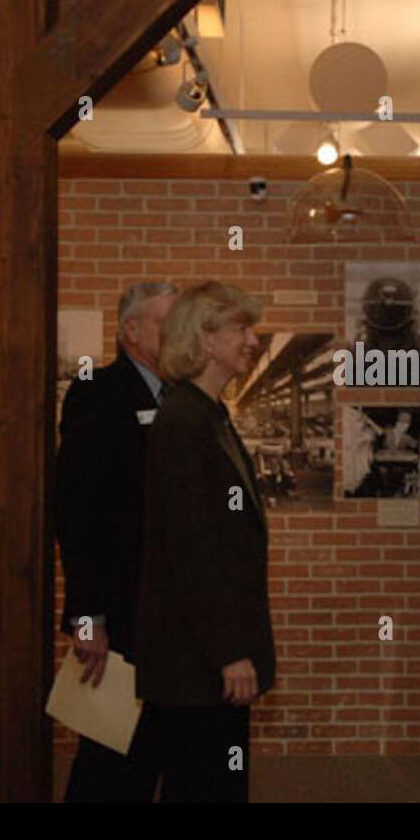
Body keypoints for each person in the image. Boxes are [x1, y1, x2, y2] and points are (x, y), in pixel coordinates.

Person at [137, 281, 276, 803]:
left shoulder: (207, 414)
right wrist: (229, 653)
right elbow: (192, 551)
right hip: (196, 661)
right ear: (205, 339)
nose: (253, 340)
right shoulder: (183, 422)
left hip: (200, 658)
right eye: (241, 328)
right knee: (203, 787)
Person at [55, 281, 176, 803]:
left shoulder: (186, 399)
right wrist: (88, 617)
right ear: (131, 330)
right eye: (167, 324)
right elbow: (77, 514)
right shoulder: (96, 394)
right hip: (118, 613)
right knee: (109, 757)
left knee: (156, 753)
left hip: (170, 620)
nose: (180, 335)